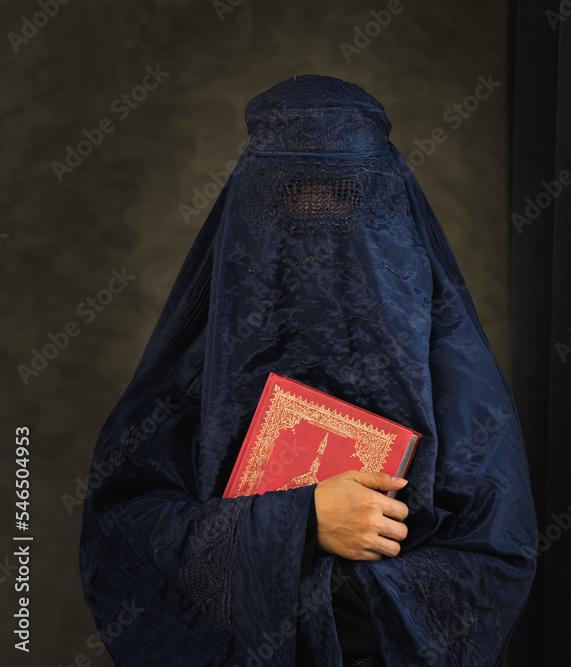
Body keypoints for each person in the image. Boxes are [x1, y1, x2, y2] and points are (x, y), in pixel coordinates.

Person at [79, 74, 537, 667]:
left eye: (345, 194)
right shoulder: (193, 365)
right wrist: (302, 520)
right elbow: (122, 546)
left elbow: (494, 565)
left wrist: (302, 581)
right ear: (251, 207)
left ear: (389, 209)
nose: (321, 216)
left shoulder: (455, 377)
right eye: (295, 194)